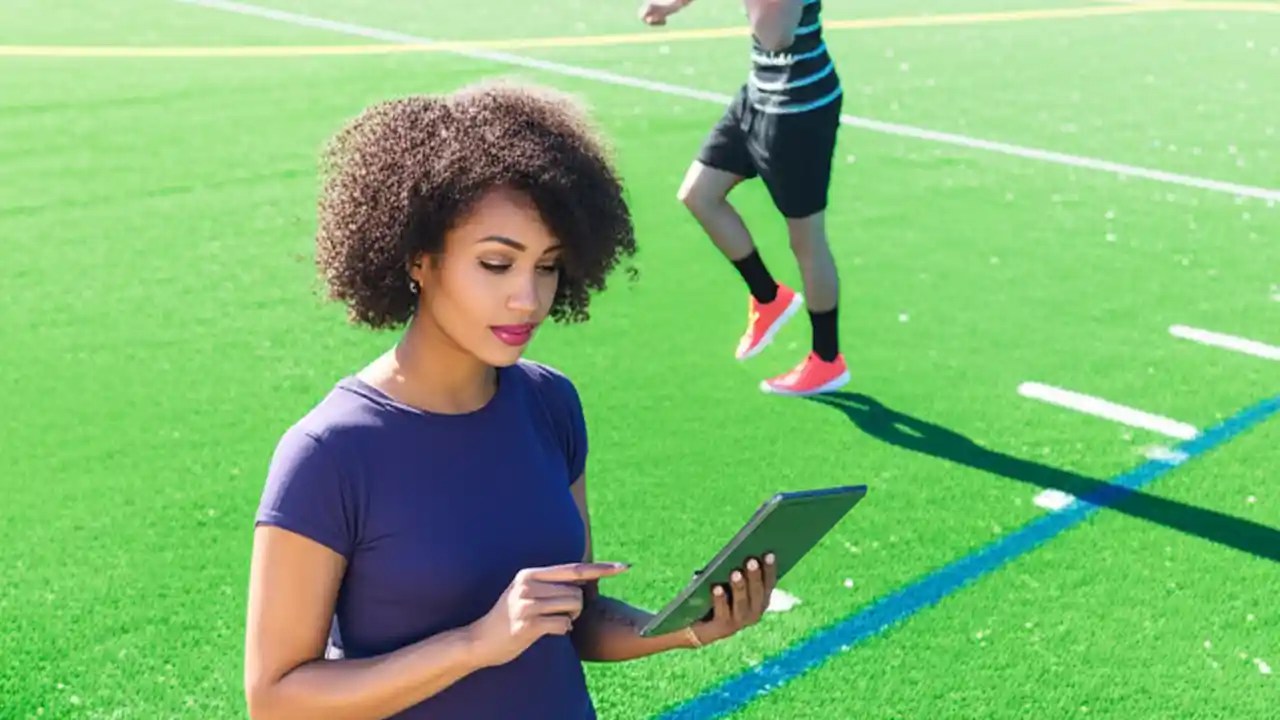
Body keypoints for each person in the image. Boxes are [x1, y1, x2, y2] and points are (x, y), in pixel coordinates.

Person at [243, 81, 779, 720]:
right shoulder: (330, 453)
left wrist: (691, 626)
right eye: (497, 265)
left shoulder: (551, 404)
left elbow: (574, 620)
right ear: (419, 258)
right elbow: (276, 698)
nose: (528, 299)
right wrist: (475, 643)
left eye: (547, 266)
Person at [640, 0, 849, 396]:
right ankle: (769, 298)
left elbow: (775, 35)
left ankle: (827, 360)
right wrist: (671, 6)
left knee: (806, 239)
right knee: (700, 195)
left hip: (799, 109)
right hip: (757, 95)